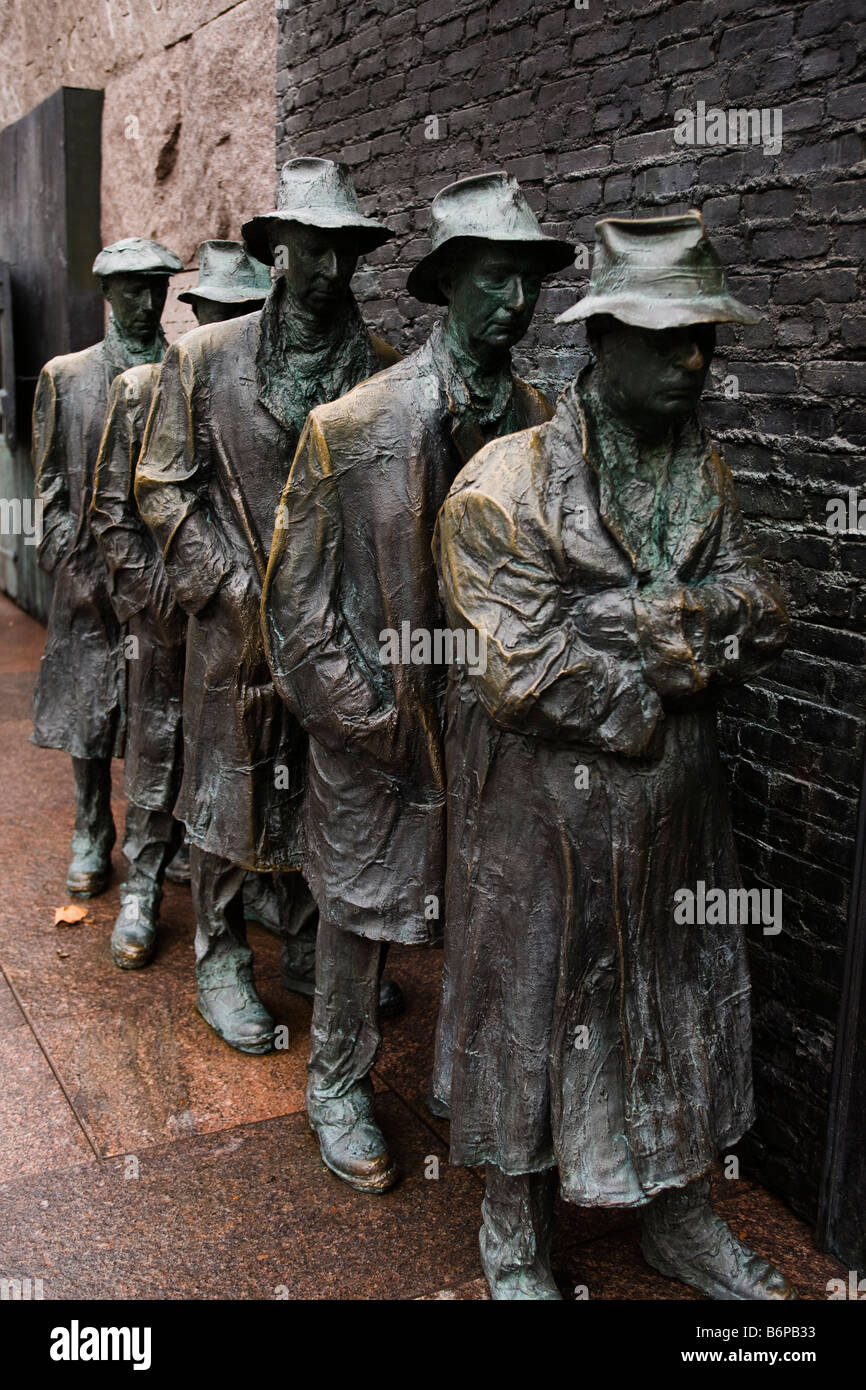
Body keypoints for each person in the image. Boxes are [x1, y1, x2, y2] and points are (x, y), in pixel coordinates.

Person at [432, 211, 796, 1300]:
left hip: (678, 820)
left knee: (677, 1005)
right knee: (531, 1006)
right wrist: (678, 668)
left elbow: (765, 607)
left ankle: (677, 1207)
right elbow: (518, 669)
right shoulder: (501, 486)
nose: (693, 360)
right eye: (666, 337)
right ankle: (512, 1220)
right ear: (601, 342)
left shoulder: (707, 476)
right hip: (540, 823)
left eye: (704, 340)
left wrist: (643, 619)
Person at [262, 171, 574, 1192]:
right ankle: (337, 1079)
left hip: (496, 726)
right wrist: (364, 715)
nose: (514, 303)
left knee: (481, 902)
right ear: (447, 285)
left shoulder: (545, 423)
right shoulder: (351, 424)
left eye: (527, 280)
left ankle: (454, 1069)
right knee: (358, 909)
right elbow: (295, 603)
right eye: (494, 278)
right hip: (379, 721)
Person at [136, 161, 398, 1053]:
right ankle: (219, 957)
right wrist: (231, 591)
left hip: (339, 636)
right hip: (236, 633)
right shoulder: (207, 358)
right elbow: (162, 487)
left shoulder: (383, 374)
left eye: (345, 252)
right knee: (225, 798)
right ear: (276, 252)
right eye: (313, 250)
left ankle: (304, 943)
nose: (330, 269)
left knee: (327, 797)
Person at [90, 242, 271, 967]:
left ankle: (241, 891)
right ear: (196, 315)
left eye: (246, 315)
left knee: (235, 758)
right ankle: (141, 883)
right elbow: (113, 514)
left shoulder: (266, 391)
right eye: (220, 314)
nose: (232, 329)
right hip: (170, 618)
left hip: (238, 621)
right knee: (158, 742)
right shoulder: (143, 388)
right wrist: (167, 607)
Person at [32, 237, 181, 897]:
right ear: (108, 295)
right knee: (89, 713)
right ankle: (92, 830)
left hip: (160, 581)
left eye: (157, 288)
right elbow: (49, 491)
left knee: (159, 717)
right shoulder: (66, 376)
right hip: (88, 581)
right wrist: (71, 556)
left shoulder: (184, 370)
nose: (147, 302)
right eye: (133, 290)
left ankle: (162, 840)